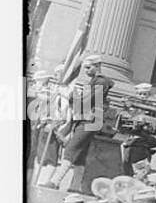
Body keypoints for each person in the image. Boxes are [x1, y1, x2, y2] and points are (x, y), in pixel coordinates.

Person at [45, 54, 113, 193]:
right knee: (80, 154)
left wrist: (68, 95)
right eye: (85, 68)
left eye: (89, 67)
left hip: (90, 120)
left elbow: (88, 100)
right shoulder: (94, 81)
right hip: (85, 119)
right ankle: (75, 187)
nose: (86, 70)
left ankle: (55, 181)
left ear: (97, 66)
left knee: (71, 148)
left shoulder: (101, 81)